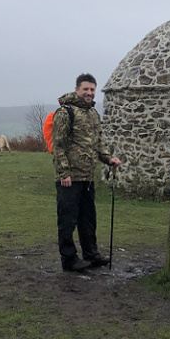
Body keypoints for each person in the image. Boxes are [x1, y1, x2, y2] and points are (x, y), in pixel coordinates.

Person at [52, 73, 122, 272]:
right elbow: (58, 145)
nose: (89, 93)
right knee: (68, 219)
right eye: (86, 89)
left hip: (87, 177)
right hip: (69, 178)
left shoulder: (93, 114)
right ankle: (69, 259)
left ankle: (91, 254)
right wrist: (64, 173)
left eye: (92, 89)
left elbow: (98, 144)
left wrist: (109, 159)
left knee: (88, 219)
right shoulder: (65, 113)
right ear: (77, 90)